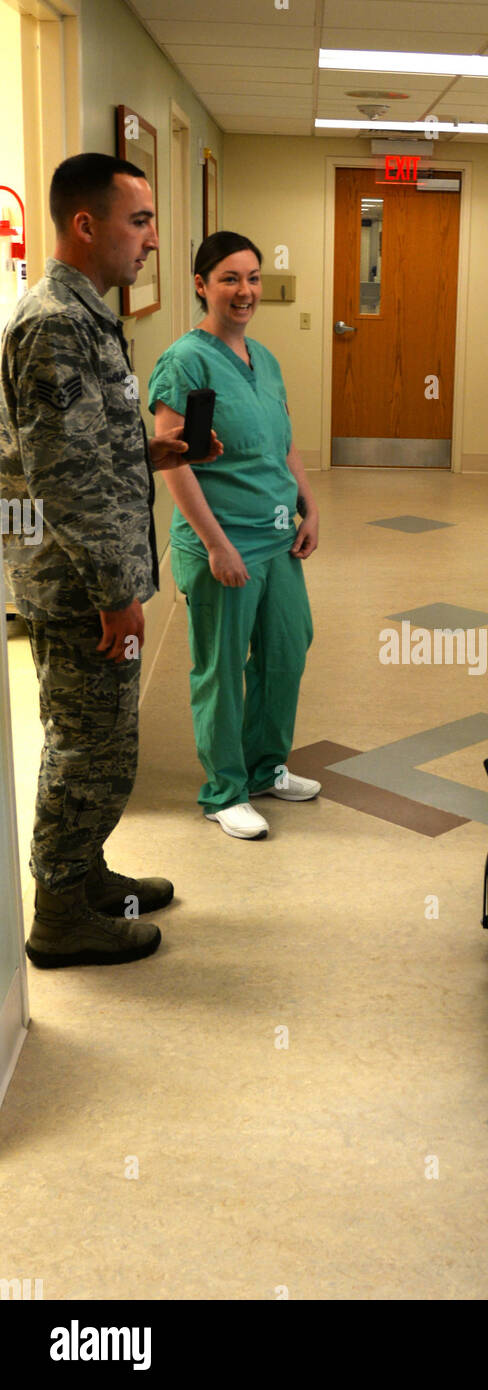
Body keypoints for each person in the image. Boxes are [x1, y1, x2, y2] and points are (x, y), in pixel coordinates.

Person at [0, 153, 212, 968]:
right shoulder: (54, 322)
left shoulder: (83, 316)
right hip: (79, 589)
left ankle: (83, 876)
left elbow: (84, 450)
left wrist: (152, 449)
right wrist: (116, 593)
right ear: (85, 225)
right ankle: (60, 914)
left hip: (89, 578)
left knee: (99, 744)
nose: (153, 239)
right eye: (140, 221)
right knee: (89, 750)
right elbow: (65, 480)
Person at [148, 232, 320, 840]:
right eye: (229, 278)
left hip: (276, 537)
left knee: (286, 649)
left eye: (252, 278)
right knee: (222, 666)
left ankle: (266, 767)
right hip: (221, 542)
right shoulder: (185, 362)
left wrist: (308, 504)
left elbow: (284, 441)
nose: (244, 291)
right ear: (202, 285)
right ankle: (224, 790)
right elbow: (176, 462)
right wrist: (218, 544)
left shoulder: (265, 359)